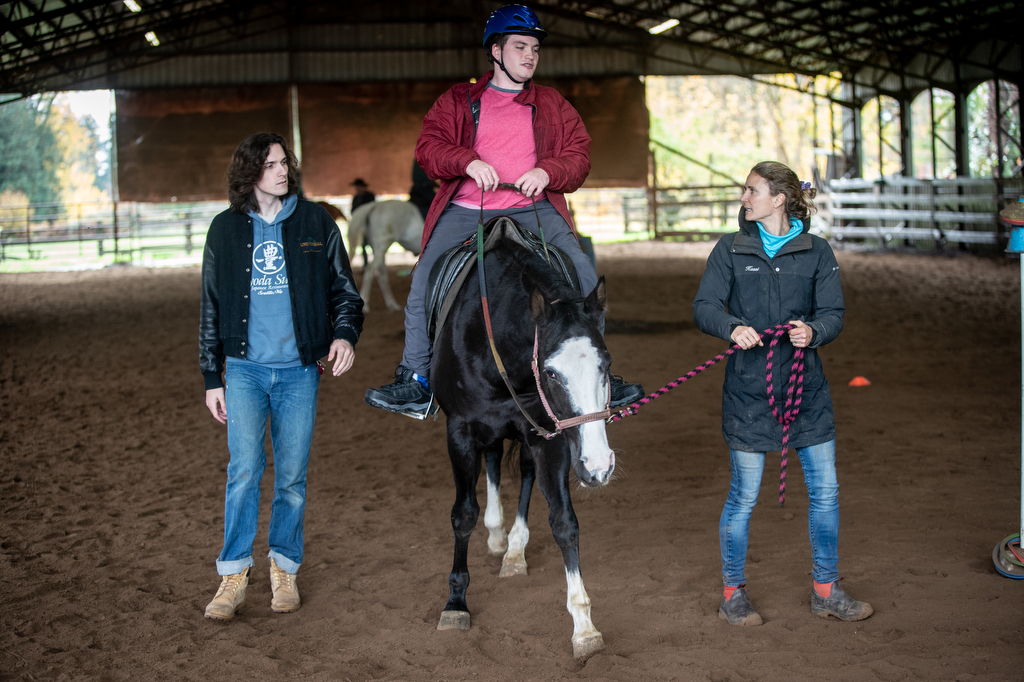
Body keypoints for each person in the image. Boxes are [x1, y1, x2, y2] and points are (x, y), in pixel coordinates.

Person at [364, 4, 643, 418]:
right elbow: (428, 149)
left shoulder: (551, 103)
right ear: (495, 51)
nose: (529, 55)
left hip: (533, 207)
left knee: (584, 278)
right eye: (519, 46)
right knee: (423, 279)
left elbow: (578, 156)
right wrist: (466, 161)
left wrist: (548, 172)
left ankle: (600, 376)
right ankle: (416, 379)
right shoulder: (458, 100)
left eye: (534, 48)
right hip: (466, 208)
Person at [692, 161, 872, 626]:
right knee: (744, 496)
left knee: (826, 492)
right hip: (749, 394)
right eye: (744, 190)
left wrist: (813, 332)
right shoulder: (731, 249)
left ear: (779, 200)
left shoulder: (816, 251)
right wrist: (732, 328)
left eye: (752, 190)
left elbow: (833, 311)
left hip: (805, 390)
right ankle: (733, 592)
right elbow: (705, 306)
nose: (744, 198)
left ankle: (826, 589)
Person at [199, 132, 364, 621]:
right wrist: (213, 376)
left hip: (298, 372)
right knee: (244, 472)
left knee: (291, 477)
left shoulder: (315, 221)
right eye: (271, 164)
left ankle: (284, 568)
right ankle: (232, 577)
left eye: (284, 163)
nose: (282, 171)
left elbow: (345, 292)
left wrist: (344, 334)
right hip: (245, 371)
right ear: (250, 172)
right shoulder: (224, 230)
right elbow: (210, 307)